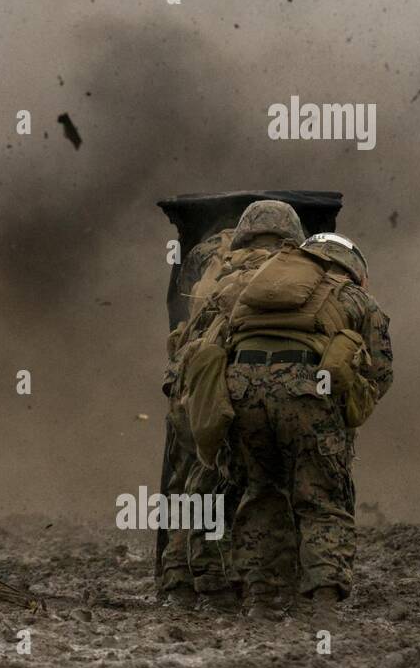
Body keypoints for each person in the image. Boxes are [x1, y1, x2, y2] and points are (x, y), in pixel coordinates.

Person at [223, 231, 393, 619]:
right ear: (352, 265)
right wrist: (346, 410)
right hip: (307, 390)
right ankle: (322, 604)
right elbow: (382, 373)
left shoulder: (256, 285)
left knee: (261, 489)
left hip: (241, 391)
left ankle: (260, 600)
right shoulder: (354, 297)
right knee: (320, 497)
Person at [158, 200, 306, 609]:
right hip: (259, 389)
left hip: (201, 386)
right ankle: (259, 585)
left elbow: (185, 329)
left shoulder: (211, 265)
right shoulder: (298, 272)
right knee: (267, 484)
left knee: (193, 482)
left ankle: (184, 582)